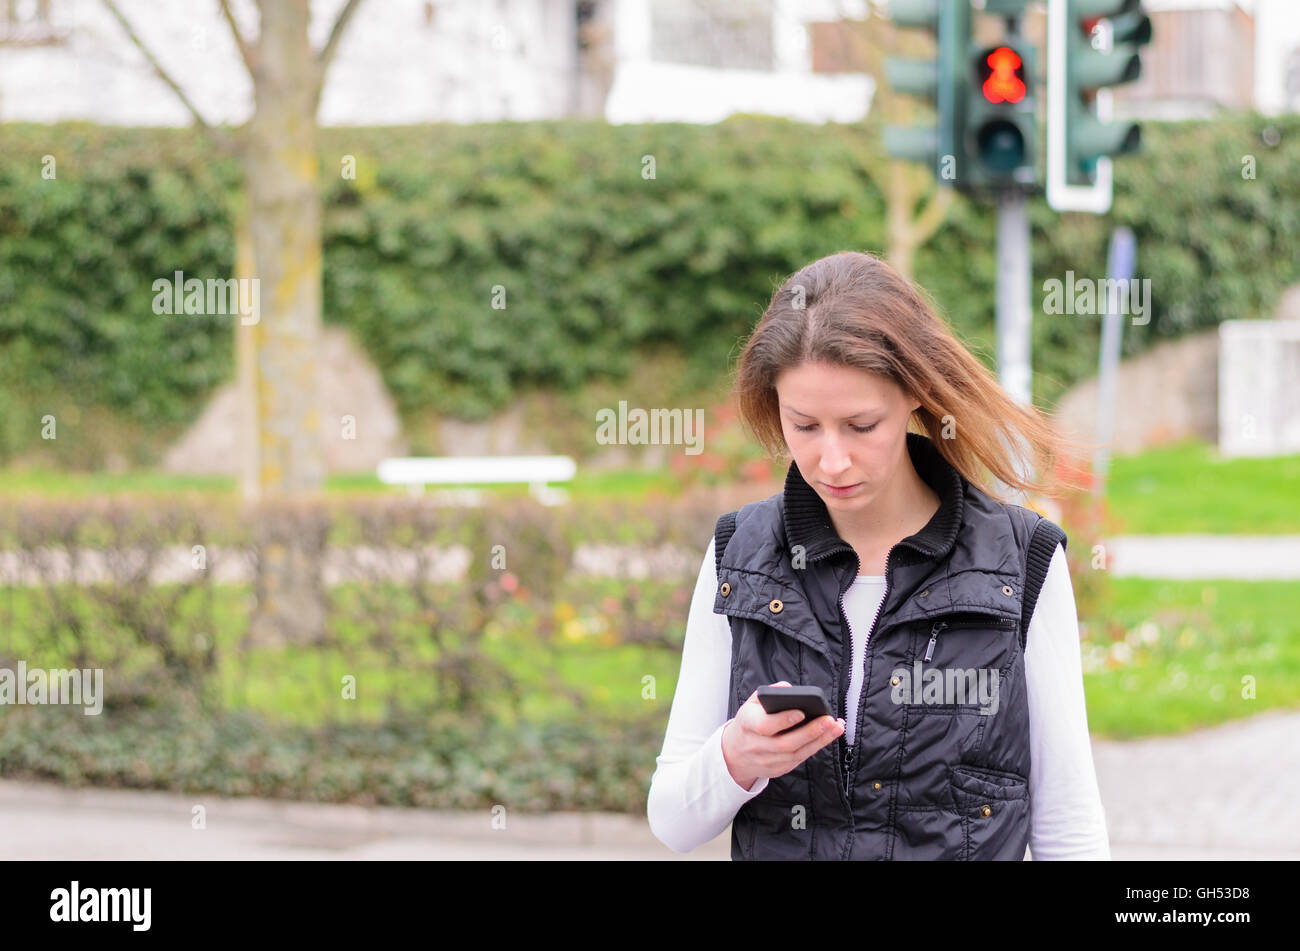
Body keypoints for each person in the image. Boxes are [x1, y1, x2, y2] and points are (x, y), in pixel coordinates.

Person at [646, 250, 1110, 860]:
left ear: (915, 395)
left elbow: (1068, 828)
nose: (831, 461)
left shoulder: (1021, 562)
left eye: (861, 425)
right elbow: (671, 822)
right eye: (804, 426)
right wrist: (735, 757)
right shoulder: (740, 553)